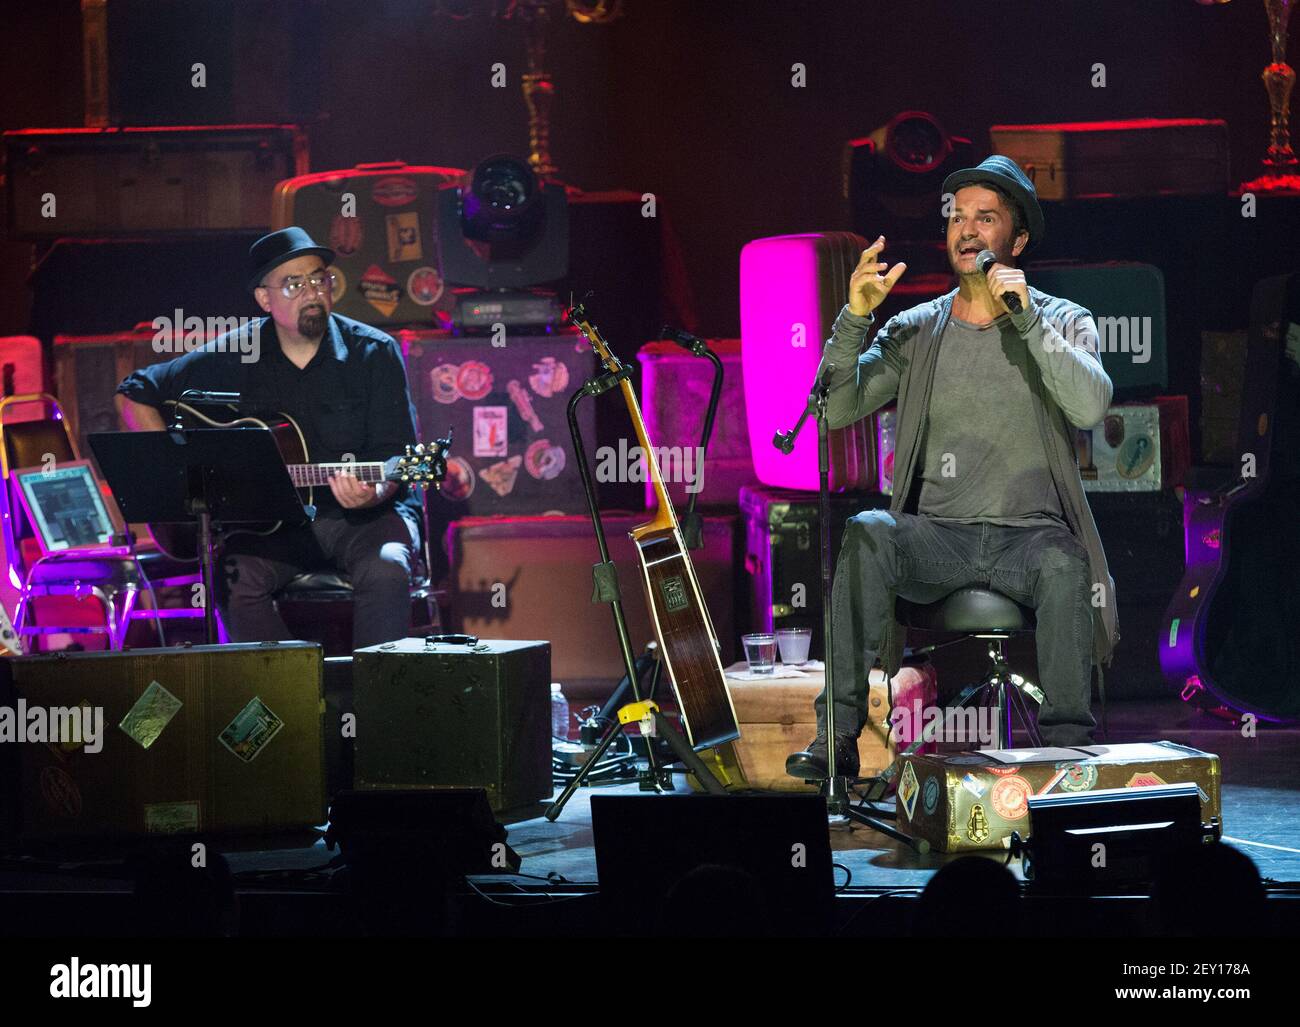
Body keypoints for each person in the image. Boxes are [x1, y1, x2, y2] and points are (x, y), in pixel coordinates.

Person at [787, 156, 1119, 781]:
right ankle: (836, 739)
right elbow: (833, 410)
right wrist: (855, 318)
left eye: (985, 218)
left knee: (1064, 561)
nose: (966, 231)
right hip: (939, 540)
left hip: (1031, 539)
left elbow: (1090, 403)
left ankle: (1067, 753)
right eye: (957, 217)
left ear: (1016, 241)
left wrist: (1025, 316)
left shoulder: (1063, 319)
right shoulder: (916, 331)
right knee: (868, 528)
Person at [115, 226, 423, 650]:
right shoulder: (237, 352)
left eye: (319, 279)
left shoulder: (375, 352)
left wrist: (375, 491)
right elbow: (134, 392)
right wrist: (174, 468)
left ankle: (375, 704)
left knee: (387, 569)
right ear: (264, 299)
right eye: (294, 284)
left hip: (365, 521)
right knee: (232, 579)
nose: (312, 292)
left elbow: (397, 456)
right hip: (278, 528)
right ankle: (295, 696)